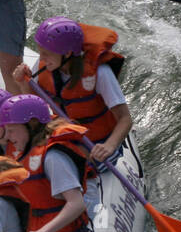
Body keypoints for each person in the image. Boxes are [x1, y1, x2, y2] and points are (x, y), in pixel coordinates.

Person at [12, 16, 131, 217]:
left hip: (95, 143)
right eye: (40, 52)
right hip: (67, 136)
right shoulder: (45, 66)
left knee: (67, 169)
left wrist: (109, 146)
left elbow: (125, 119)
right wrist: (22, 84)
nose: (42, 57)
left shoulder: (99, 73)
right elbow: (32, 109)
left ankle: (82, 216)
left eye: (46, 53)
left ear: (67, 53)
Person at [0, 94, 102, 232]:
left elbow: (76, 204)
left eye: (12, 130)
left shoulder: (53, 157)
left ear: (33, 125)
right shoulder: (25, 154)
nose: (8, 136)